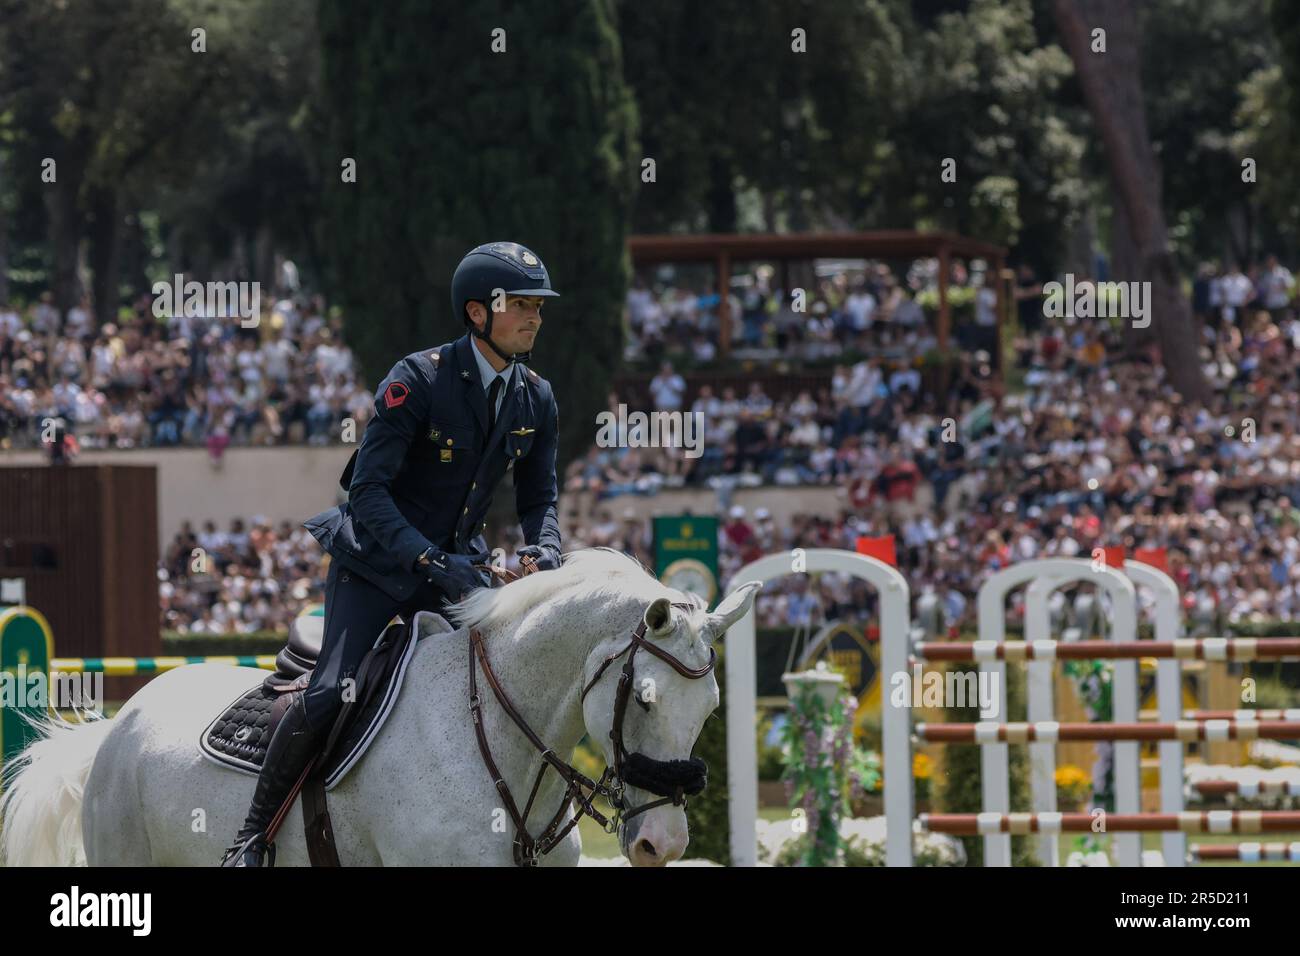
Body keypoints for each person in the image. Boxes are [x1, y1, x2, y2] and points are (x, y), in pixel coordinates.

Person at [220, 241, 565, 866]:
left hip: (460, 568)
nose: (535, 316)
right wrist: (430, 561)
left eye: (538, 305)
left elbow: (540, 495)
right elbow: (368, 492)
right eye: (520, 304)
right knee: (333, 693)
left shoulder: (536, 397)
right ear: (477, 312)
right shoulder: (418, 380)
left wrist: (545, 547)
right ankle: (251, 838)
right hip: (375, 564)